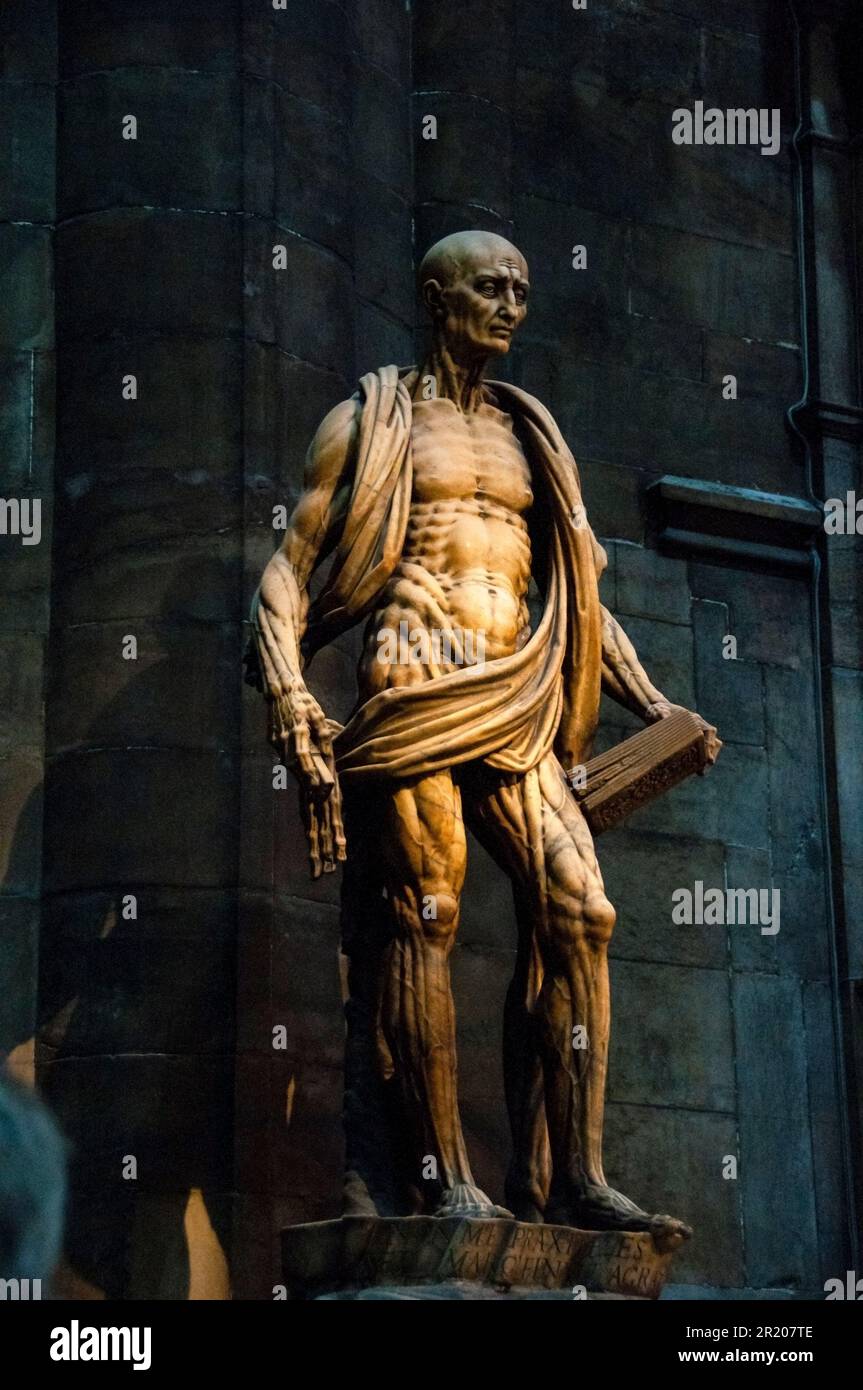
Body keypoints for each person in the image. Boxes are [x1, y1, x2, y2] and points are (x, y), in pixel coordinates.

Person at [250, 230, 719, 1234]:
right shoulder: (368, 423)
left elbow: (579, 600)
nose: (510, 305)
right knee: (426, 911)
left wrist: (654, 707)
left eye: (521, 288)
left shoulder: (527, 432)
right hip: (414, 675)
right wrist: (292, 698)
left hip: (517, 689)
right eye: (488, 288)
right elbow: (287, 567)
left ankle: (574, 1179)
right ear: (434, 298)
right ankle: (443, 1178)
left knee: (581, 912)